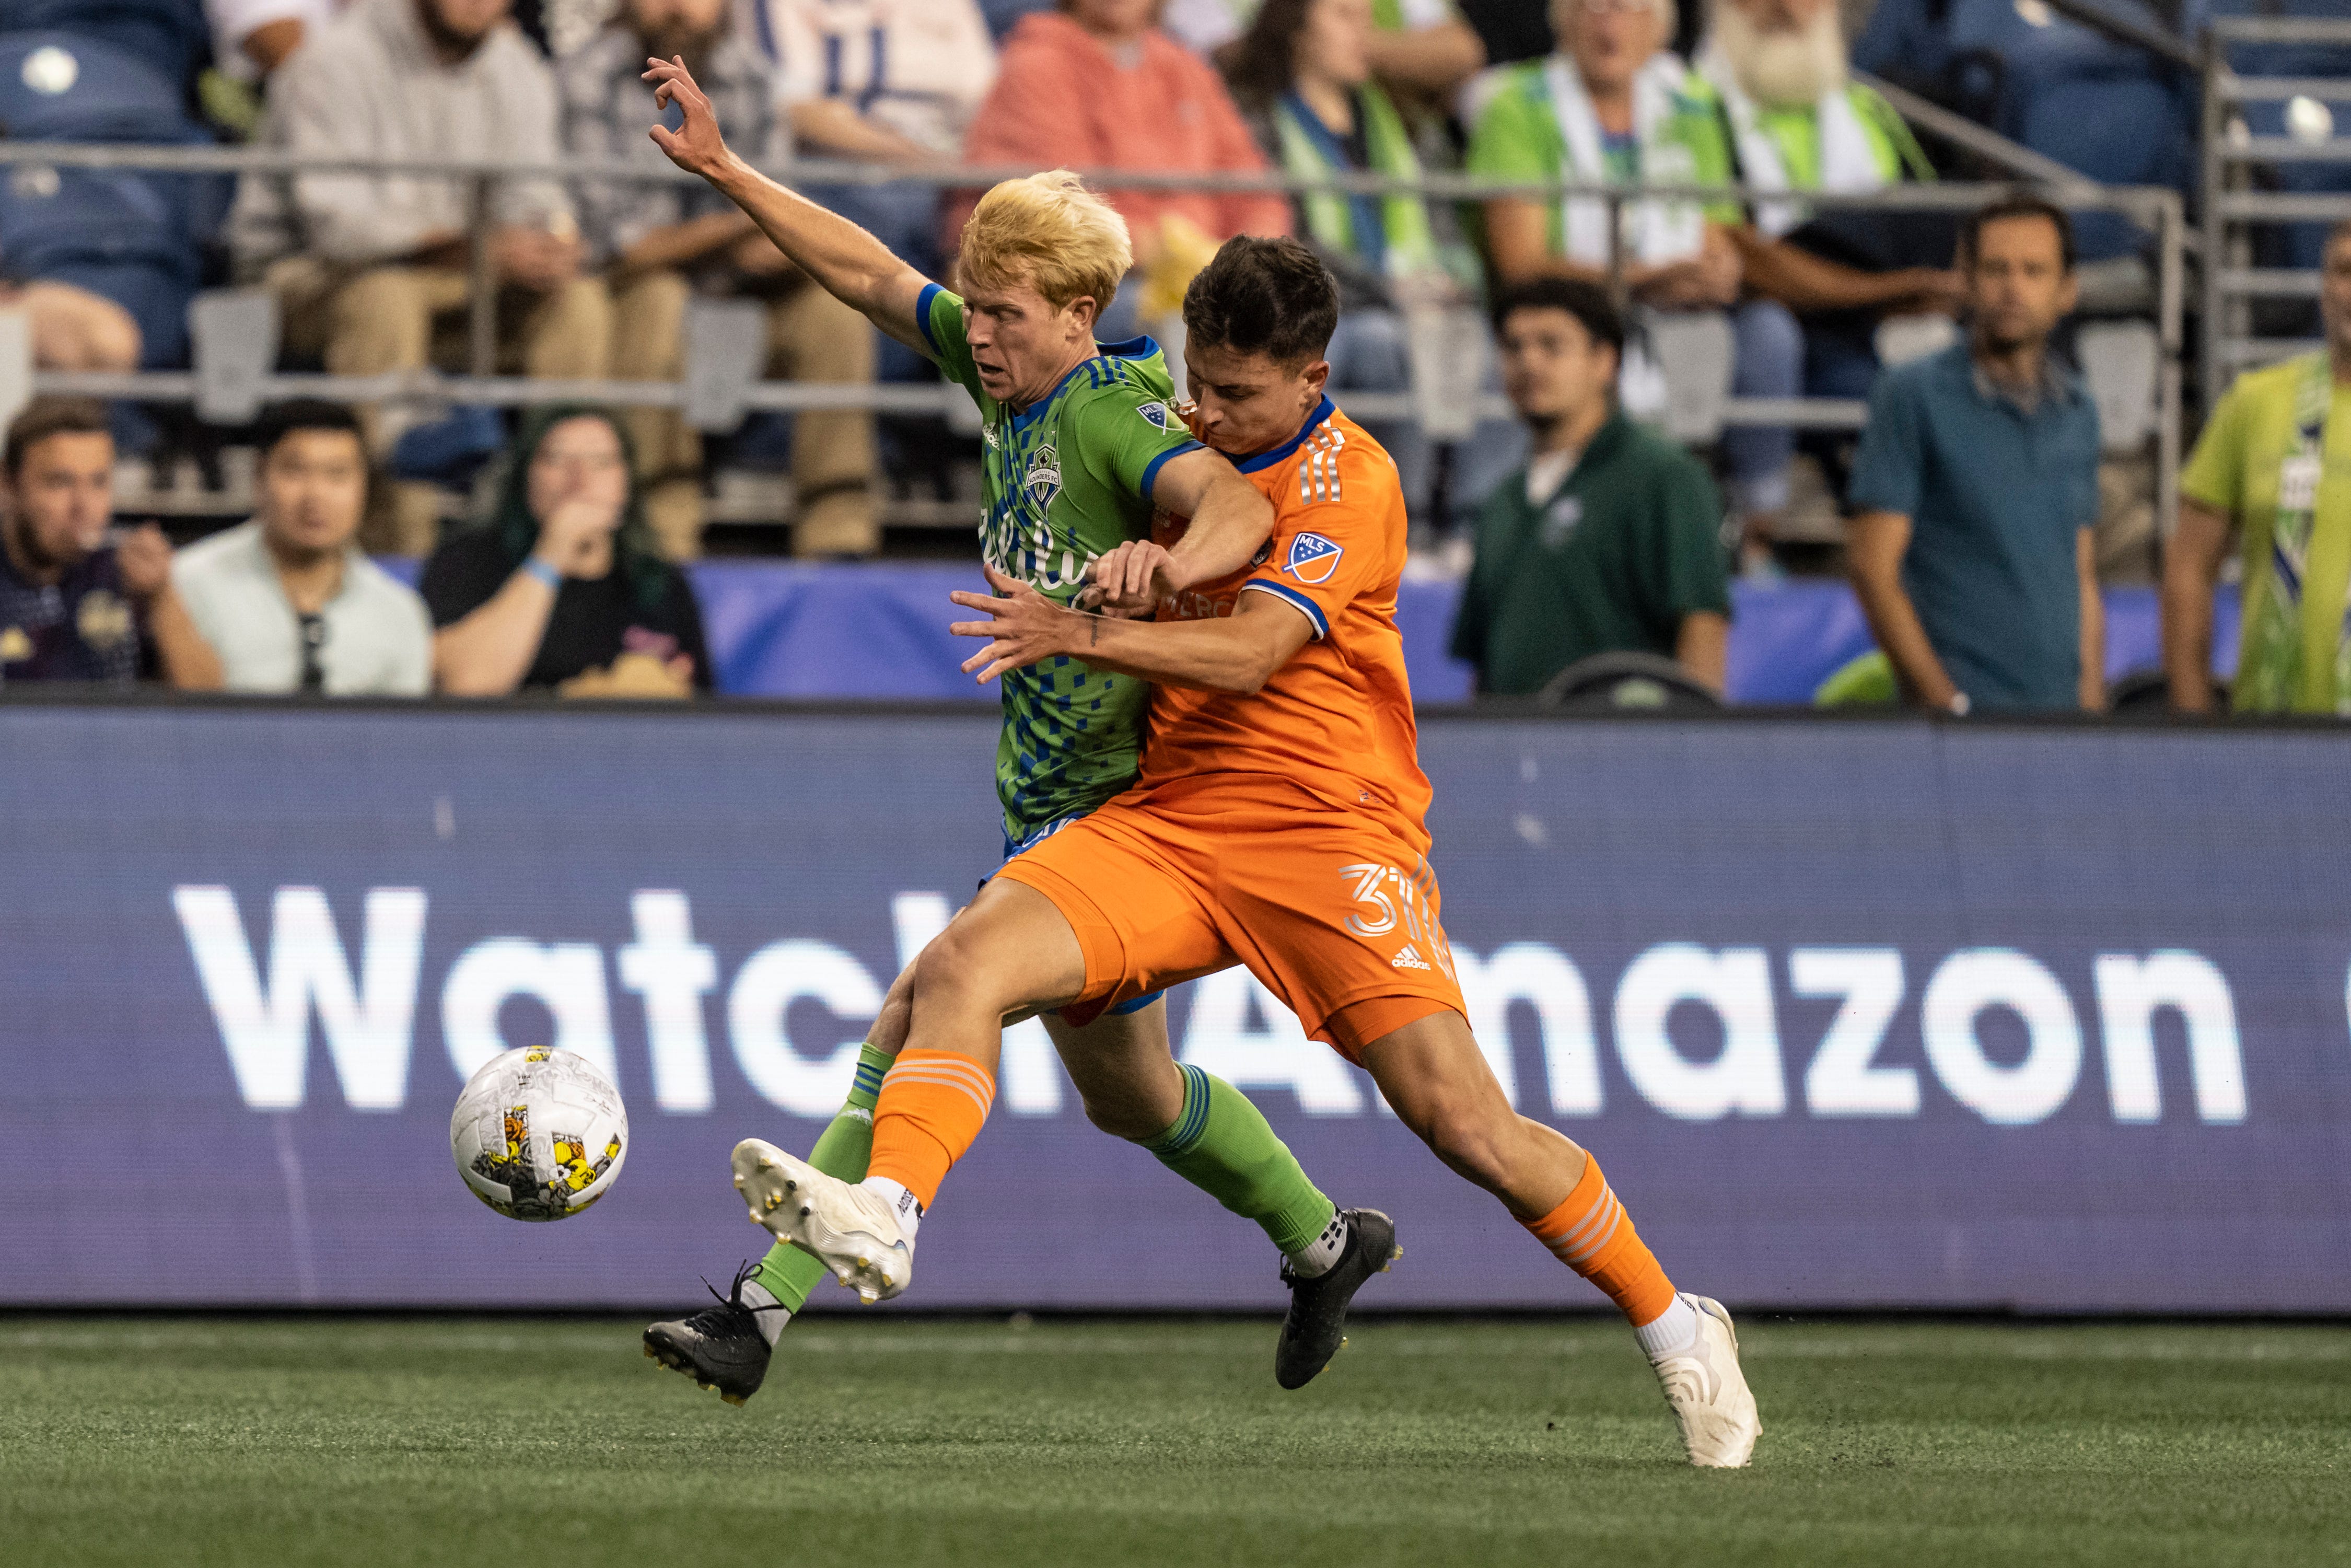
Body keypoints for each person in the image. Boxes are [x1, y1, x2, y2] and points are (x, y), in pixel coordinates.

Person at [740, 235, 1760, 1468]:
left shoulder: (1350, 482)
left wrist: (1084, 628)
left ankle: (1671, 1319)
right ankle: (888, 1214)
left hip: (1326, 833)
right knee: (960, 967)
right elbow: (919, 309)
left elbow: (1248, 654)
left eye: (1234, 395)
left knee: (1463, 1122)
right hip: (1169, 818)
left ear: (1311, 377)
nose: (1206, 412)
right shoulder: (1167, 437)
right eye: (1196, 383)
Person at [634, 57, 1378, 1407]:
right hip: (1048, 802)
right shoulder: (1016, 388)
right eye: (972, 307)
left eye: (1006, 314)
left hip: (1125, 814)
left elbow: (1234, 508)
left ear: (1080, 314)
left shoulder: (1103, 409)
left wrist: (1165, 565)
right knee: (1133, 1098)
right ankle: (1324, 1242)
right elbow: (865, 277)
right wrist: (735, 174)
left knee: (926, 996)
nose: (976, 333)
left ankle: (769, 1306)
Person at [229, 0, 612, 552]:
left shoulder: (517, 67)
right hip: (306, 281)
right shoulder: (334, 60)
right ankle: (396, 547)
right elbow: (340, 233)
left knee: (578, 301)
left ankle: (559, 540)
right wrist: (484, 246)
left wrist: (548, 243)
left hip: (460, 276)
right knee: (383, 299)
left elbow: (539, 199)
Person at [1467, 0, 1797, 547]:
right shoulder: (1515, 105)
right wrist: (1642, 280)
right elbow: (1521, 264)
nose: (1609, 24)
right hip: (1563, 310)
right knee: (1544, 343)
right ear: (1564, 23)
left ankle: (1755, 534)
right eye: (1593, 8)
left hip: (1678, 312)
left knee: (1769, 335)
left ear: (1658, 29)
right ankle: (1491, 530)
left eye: (1627, 9)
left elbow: (1717, 234)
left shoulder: (1690, 104)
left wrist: (1714, 273)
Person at [564, 0, 878, 560]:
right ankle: (662, 537)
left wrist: (763, 237)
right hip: (632, 295)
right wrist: (738, 218)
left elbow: (778, 223)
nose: (680, 9)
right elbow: (623, 250)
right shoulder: (590, 76)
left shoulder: (750, 73)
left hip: (738, 289)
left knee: (833, 308)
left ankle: (839, 531)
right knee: (659, 298)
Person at [1846, 196, 2103, 715]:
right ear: (1964, 280)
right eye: (1995, 269)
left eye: (2034, 271)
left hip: (2060, 724)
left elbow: (2080, 573)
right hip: (1956, 736)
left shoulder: (2080, 411)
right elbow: (1872, 567)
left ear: (2067, 290)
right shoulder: (1911, 395)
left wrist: (2090, 704)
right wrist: (1946, 704)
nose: (2014, 288)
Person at [1221, 0, 1471, 522]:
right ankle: (1388, 516)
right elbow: (1288, 241)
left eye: (1368, 18)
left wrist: (1450, 276)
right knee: (1381, 341)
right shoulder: (1254, 116)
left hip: (1409, 300)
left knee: (1475, 339)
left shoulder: (1400, 119)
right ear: (1297, 30)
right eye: (1344, 17)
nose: (1367, 35)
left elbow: (1446, 226)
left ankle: (1459, 517)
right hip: (1322, 307)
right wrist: (1391, 289)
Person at [950, 0, 1291, 341]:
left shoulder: (1184, 65)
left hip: (1201, 274)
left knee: (1293, 317)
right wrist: (1173, 253)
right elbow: (1062, 215)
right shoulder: (1035, 64)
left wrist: (1247, 259)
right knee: (1213, 322)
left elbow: (1254, 189)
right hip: (1075, 288)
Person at [1450, 278, 1729, 694]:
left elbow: (1702, 624)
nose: (1529, 362)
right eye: (1514, 347)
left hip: (1623, 748)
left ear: (1605, 361)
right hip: (1511, 750)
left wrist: (1693, 750)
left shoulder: (1664, 475)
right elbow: (1483, 664)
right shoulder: (1501, 501)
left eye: (1552, 345)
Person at [2166, 219, 2351, 716]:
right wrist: (2192, 724)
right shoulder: (2256, 402)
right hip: (2274, 736)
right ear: (2323, 285)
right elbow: (2188, 569)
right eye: (2344, 270)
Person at [421, 406, 712, 696]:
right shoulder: (466, 561)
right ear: (526, 477)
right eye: (557, 459)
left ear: (626, 484)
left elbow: (703, 710)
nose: (579, 478)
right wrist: (548, 559)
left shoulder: (661, 582)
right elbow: (466, 686)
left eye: (601, 461)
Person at [171, 400, 433, 696]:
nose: (316, 495)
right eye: (295, 471)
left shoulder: (399, 613)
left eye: (337, 474)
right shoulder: (188, 582)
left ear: (365, 486)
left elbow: (406, 738)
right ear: (259, 476)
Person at [0, 398, 219, 688]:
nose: (83, 505)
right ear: (8, 484)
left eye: (99, 482)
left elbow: (207, 703)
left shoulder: (126, 573)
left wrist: (161, 596)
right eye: (60, 482)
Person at [1169, 0, 1487, 98]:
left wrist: (1356, 44)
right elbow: (1208, 63)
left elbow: (1464, 51)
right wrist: (1295, 22)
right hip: (1267, 117)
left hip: (1372, 127)